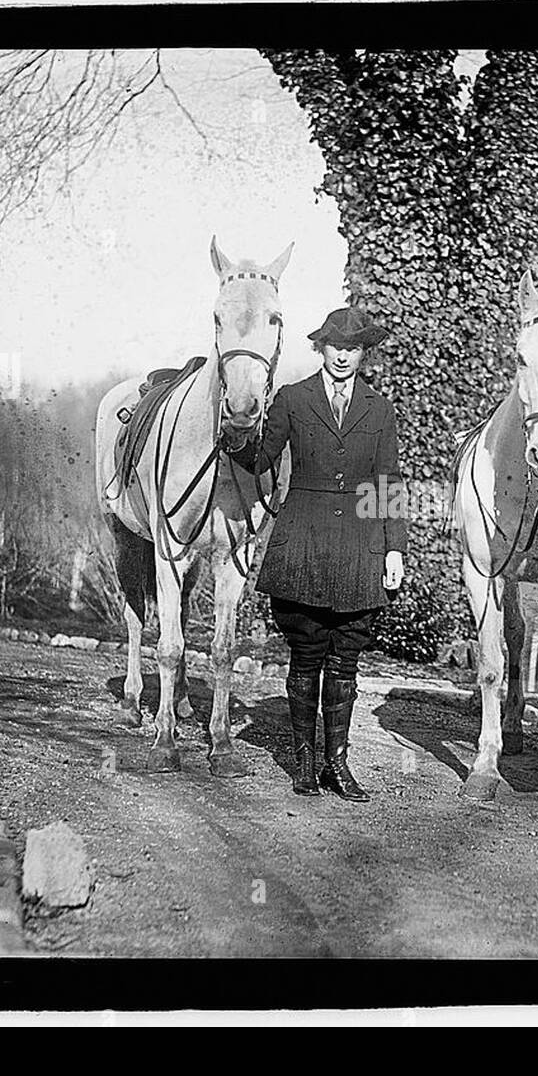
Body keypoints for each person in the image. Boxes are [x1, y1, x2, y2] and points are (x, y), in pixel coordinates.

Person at [223, 306, 407, 801]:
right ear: (321, 348)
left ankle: (337, 765)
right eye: (335, 346)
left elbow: (388, 483)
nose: (343, 356)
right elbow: (260, 460)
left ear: (363, 353)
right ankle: (304, 762)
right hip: (302, 542)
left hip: (359, 550)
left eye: (353, 348)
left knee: (346, 661)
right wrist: (235, 433)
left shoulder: (380, 409)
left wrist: (395, 549)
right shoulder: (292, 399)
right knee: (306, 656)